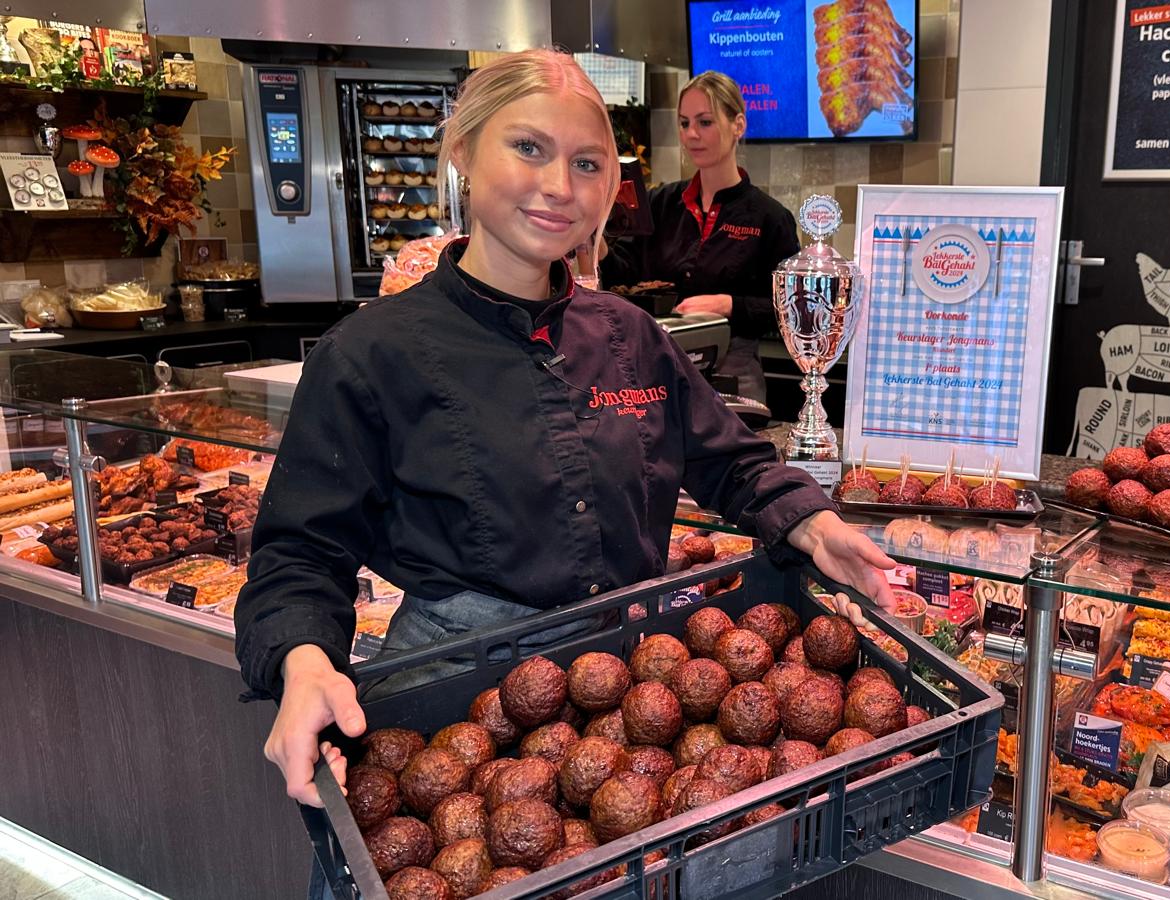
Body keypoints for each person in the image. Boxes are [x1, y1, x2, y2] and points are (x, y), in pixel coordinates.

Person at [230, 48, 892, 879]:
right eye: (529, 149)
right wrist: (302, 663)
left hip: (632, 686)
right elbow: (300, 552)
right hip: (458, 706)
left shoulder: (629, 335)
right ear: (464, 152)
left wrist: (813, 523)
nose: (558, 186)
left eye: (586, 163)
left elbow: (728, 460)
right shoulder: (370, 354)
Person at [602, 70, 798, 405]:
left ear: (738, 125)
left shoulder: (770, 218)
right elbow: (624, 277)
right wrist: (597, 245)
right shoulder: (660, 202)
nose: (692, 134)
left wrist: (731, 305)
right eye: (684, 123)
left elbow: (792, 312)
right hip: (654, 371)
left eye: (705, 122)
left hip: (733, 379)